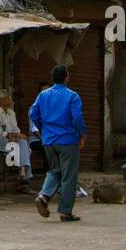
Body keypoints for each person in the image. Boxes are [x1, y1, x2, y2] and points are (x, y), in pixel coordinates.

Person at [30, 64, 86, 223]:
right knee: (68, 176)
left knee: (55, 170)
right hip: (67, 140)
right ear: (67, 77)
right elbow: (77, 118)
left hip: (48, 140)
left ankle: (43, 196)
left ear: (53, 78)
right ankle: (65, 212)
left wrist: (43, 127)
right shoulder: (72, 96)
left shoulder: (43, 95)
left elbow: (33, 113)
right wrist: (82, 134)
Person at [0, 90, 32, 186]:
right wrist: (11, 136)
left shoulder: (11, 112)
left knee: (23, 143)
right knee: (19, 147)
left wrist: (17, 136)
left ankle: (22, 172)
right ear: (0, 100)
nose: (10, 99)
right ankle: (25, 178)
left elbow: (15, 128)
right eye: (7, 97)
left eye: (9, 97)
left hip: (10, 138)